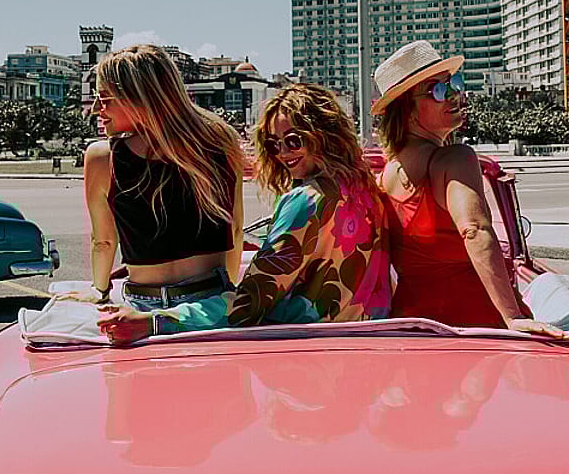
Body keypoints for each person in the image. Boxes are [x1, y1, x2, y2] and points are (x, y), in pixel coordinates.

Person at [97, 82, 391, 343]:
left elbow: (250, 301)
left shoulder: (305, 202)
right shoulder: (368, 192)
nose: (283, 153)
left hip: (308, 350)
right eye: (273, 145)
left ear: (324, 134)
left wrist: (154, 321)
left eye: (293, 140)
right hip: (368, 340)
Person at [372, 40, 564, 337]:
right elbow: (474, 230)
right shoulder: (455, 159)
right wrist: (512, 316)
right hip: (476, 324)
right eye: (437, 90)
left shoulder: (384, 176)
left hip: (411, 327)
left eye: (454, 83)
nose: (455, 95)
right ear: (406, 110)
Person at [64, 44, 245, 314]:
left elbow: (103, 241)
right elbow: (236, 229)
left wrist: (98, 290)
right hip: (212, 298)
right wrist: (226, 294)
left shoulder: (103, 157)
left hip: (144, 304)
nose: (96, 109)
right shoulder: (221, 142)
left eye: (104, 99)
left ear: (138, 98)